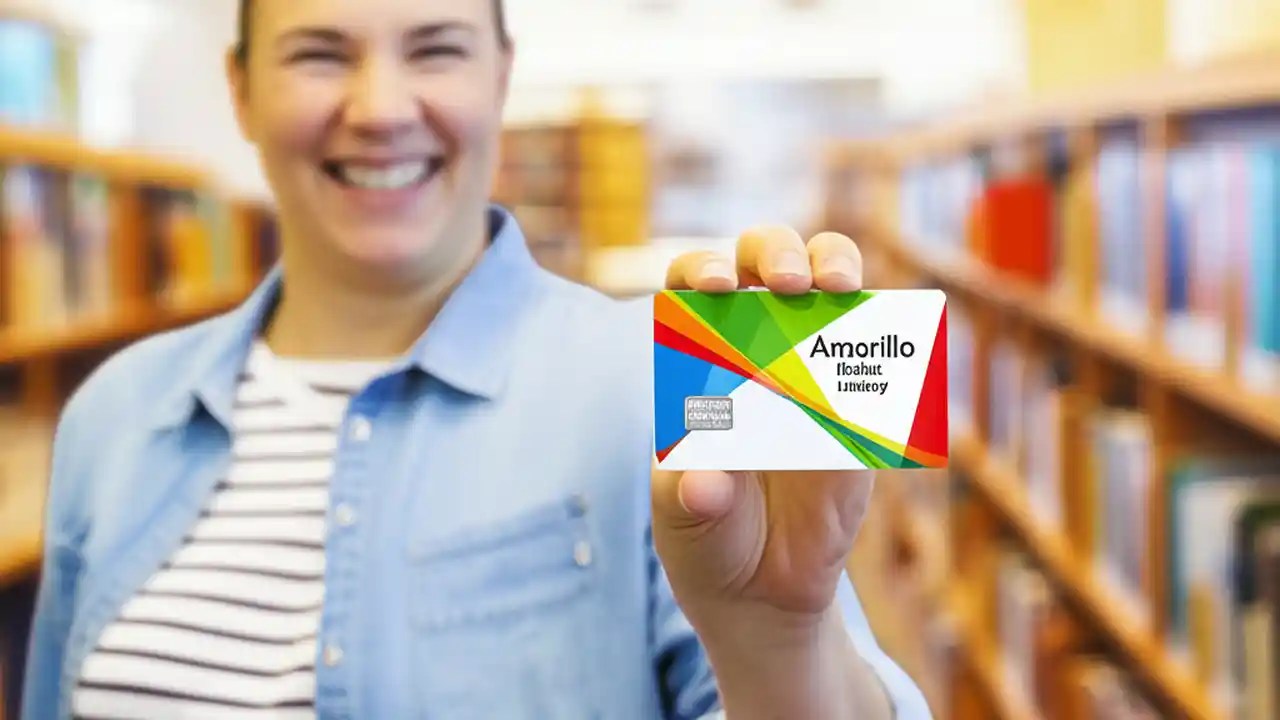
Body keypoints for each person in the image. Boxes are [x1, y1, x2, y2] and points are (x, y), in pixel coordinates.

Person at [21, 1, 932, 718]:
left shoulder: (657, 391)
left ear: (501, 77)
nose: (379, 108)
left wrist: (778, 645)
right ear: (241, 90)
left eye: (436, 48)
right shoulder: (114, 416)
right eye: (319, 53)